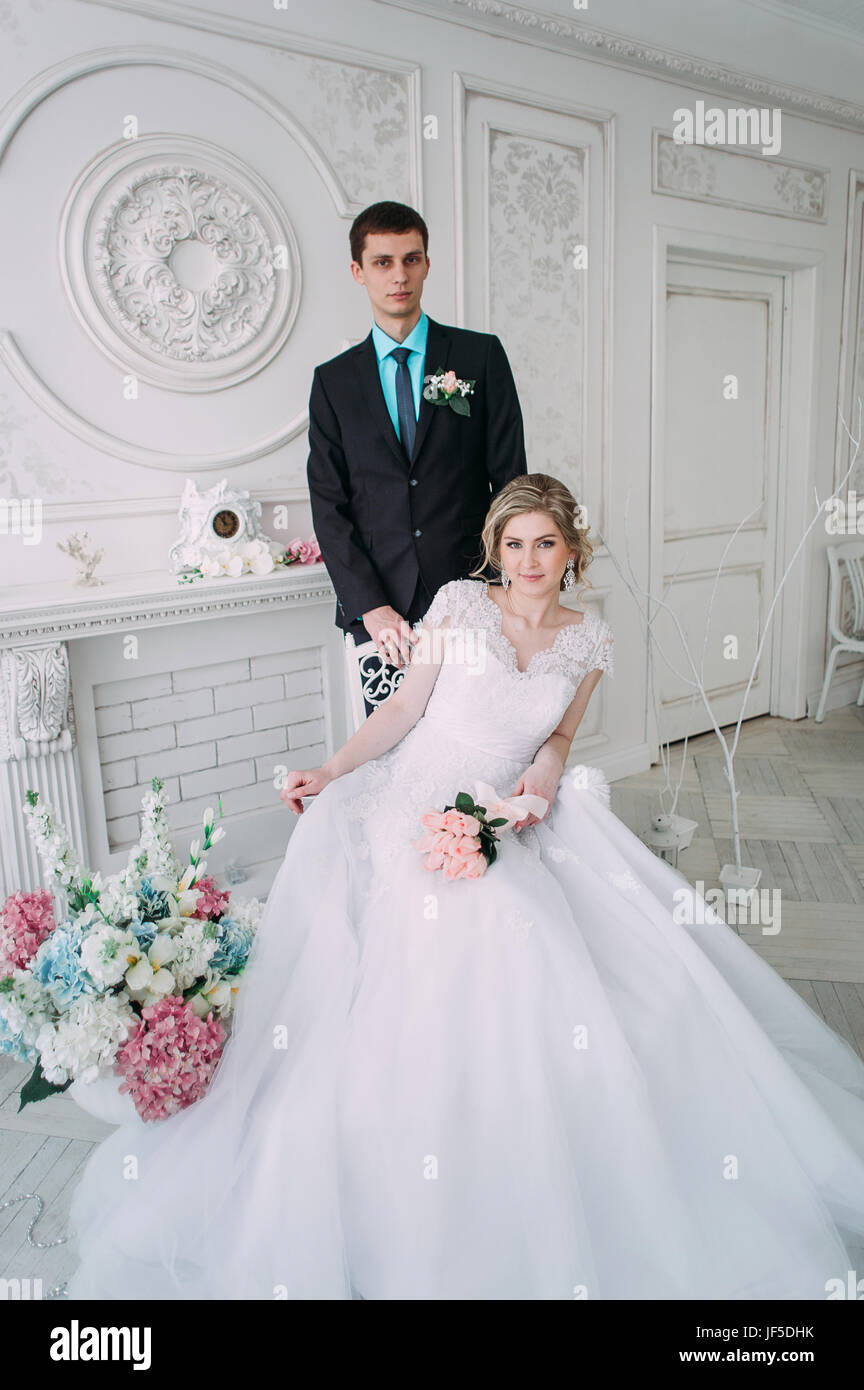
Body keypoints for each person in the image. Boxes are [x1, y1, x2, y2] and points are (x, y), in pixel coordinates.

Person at [67, 474, 864, 1300]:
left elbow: (555, 736)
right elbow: (405, 712)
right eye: (513, 544)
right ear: (496, 549)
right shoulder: (460, 606)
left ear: (571, 550)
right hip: (410, 801)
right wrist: (333, 769)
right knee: (468, 926)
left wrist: (540, 791)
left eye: (545, 544)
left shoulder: (588, 640)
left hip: (505, 811)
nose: (528, 560)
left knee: (585, 953)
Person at [307, 200, 526, 713]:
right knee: (391, 756)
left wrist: (507, 589)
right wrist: (371, 607)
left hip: (474, 597)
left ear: (427, 263)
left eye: (411, 259)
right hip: (381, 613)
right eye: (383, 262)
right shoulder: (333, 382)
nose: (399, 275)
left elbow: (512, 484)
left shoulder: (480, 357)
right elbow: (328, 506)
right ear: (358, 271)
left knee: (476, 744)